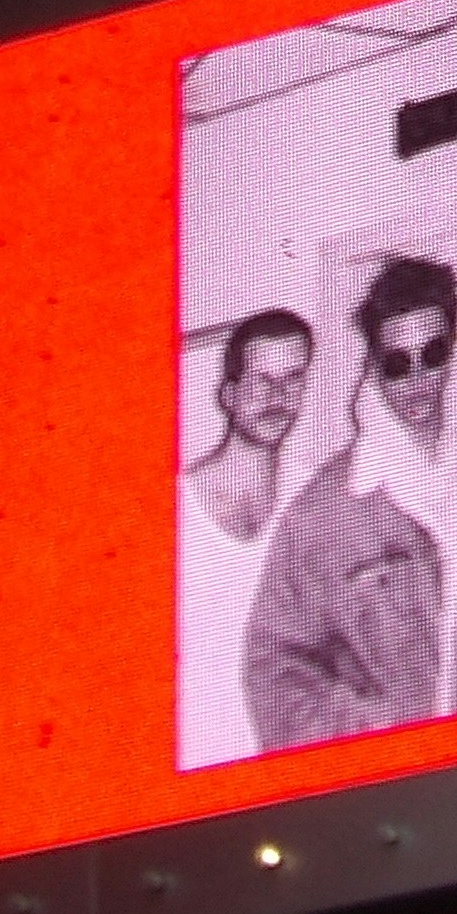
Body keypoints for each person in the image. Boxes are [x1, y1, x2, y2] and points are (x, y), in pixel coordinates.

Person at [244, 257, 457, 751]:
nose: (418, 378)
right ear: (374, 364)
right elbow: (274, 670)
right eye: (397, 362)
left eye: (432, 353)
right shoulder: (321, 516)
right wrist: (373, 729)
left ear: (455, 348)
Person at [174, 311, 310, 767]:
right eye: (260, 380)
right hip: (195, 764)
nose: (278, 397)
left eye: (293, 378)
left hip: (285, 758)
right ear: (228, 394)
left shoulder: (311, 501)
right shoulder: (174, 509)